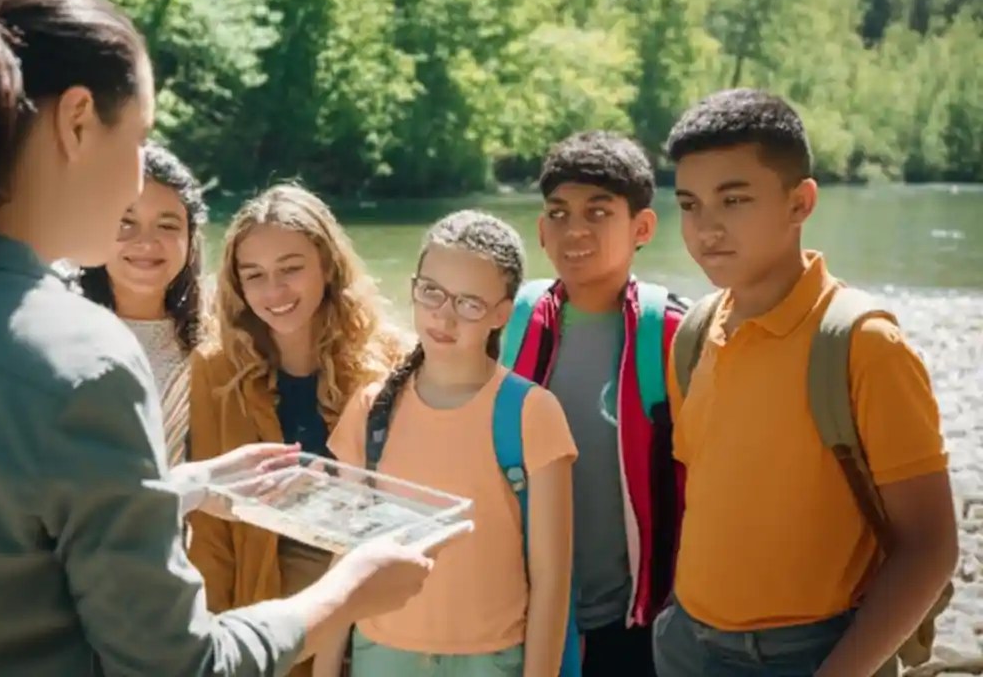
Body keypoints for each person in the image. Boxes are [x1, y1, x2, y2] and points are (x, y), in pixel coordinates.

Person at [0, 0, 454, 676]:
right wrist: (346, 591)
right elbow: (182, 664)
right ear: (77, 121)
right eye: (138, 137)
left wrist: (186, 486)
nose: (139, 178)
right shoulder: (83, 359)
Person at [653, 87, 958, 677]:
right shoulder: (693, 334)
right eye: (689, 205)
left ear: (801, 203)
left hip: (809, 654)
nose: (706, 227)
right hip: (686, 643)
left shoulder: (861, 344)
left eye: (734, 199)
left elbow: (930, 548)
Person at [314, 210, 579, 677]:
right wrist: (326, 667)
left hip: (494, 659)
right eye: (431, 291)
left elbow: (552, 579)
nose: (444, 314)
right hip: (380, 654)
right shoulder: (371, 409)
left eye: (469, 303)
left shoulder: (531, 413)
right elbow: (345, 553)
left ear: (502, 313)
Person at [188, 184, 409, 677]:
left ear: (327, 266)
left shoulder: (390, 363)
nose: (274, 292)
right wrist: (212, 639)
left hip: (368, 610)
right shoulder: (216, 370)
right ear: (238, 285)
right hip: (261, 600)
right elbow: (211, 528)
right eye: (255, 276)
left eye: (291, 269)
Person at [501, 131, 687, 676]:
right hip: (523, 613)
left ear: (643, 228)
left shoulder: (673, 334)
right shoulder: (510, 319)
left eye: (598, 212)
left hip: (634, 624)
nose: (573, 230)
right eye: (558, 213)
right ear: (540, 229)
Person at [79, 141, 206, 467]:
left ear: (191, 239)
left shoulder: (215, 341)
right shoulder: (55, 331)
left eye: (167, 226)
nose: (146, 242)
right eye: (125, 222)